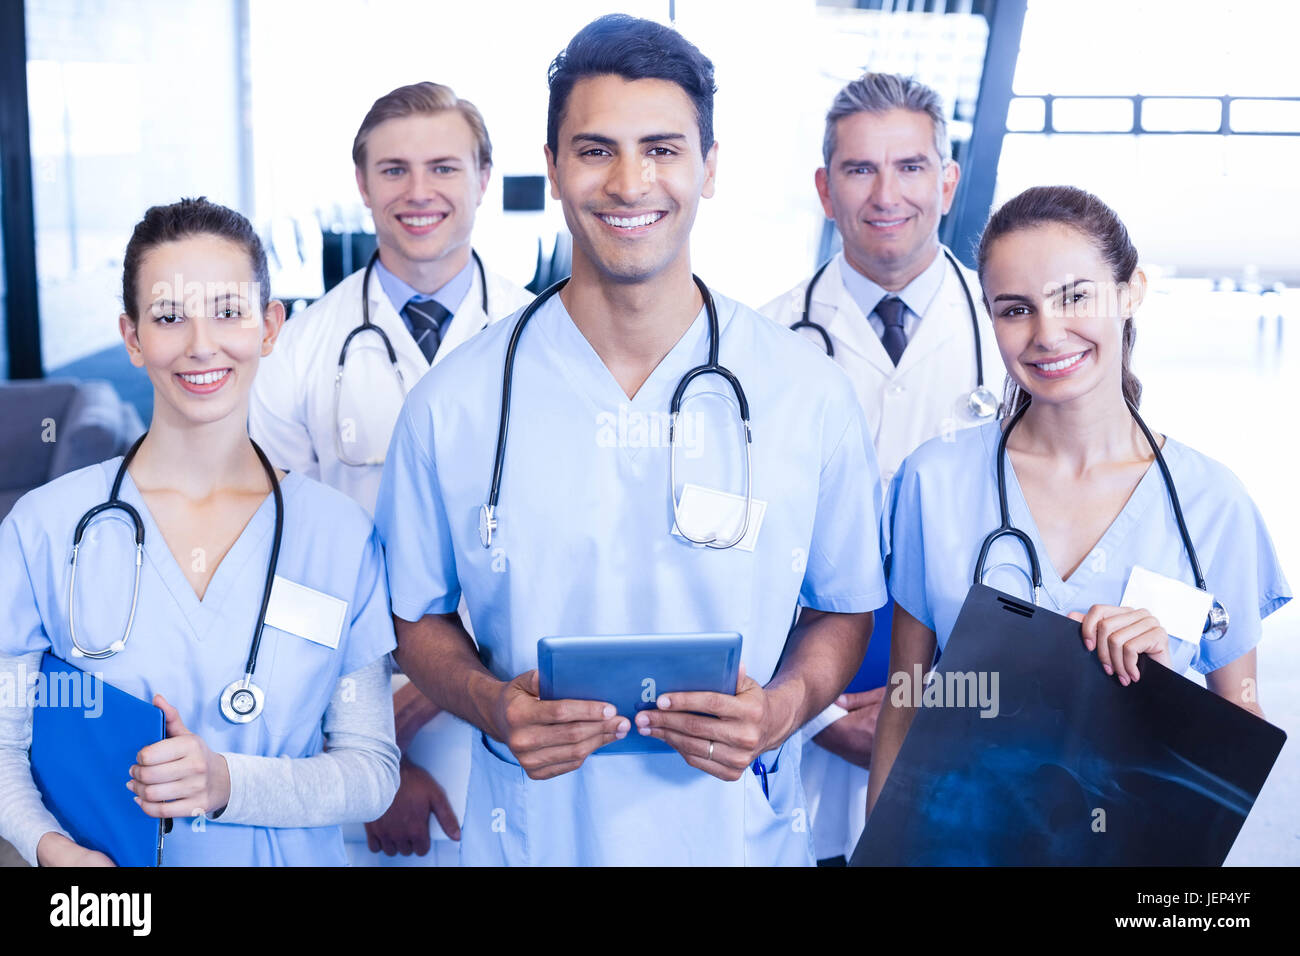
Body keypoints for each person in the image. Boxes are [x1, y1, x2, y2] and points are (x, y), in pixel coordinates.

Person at [373, 14, 887, 866]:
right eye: (594, 149)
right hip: (537, 838)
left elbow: (845, 605)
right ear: (552, 170)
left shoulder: (806, 395)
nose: (629, 181)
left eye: (661, 148)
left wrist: (786, 708)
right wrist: (492, 704)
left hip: (737, 837)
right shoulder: (455, 403)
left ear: (709, 168)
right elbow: (416, 618)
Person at [868, 185, 1291, 819]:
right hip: (959, 845)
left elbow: (1243, 718)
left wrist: (1163, 686)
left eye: (1075, 296)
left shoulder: (1211, 502)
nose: (1047, 333)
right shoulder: (935, 482)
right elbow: (905, 700)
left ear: (1130, 292)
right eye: (1015, 310)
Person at [0, 198, 400, 866]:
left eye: (227, 310)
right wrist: (48, 848)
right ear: (131, 338)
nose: (201, 344)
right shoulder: (43, 530)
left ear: (270, 326)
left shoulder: (339, 537)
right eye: (168, 317)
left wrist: (227, 782)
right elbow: (4, 746)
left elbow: (371, 771)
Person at [249, 82, 532, 867]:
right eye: (393, 169)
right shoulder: (300, 351)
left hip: (516, 709)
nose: (418, 192)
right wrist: (380, 747)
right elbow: (277, 561)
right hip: (354, 713)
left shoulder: (546, 338)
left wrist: (450, 694)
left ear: (483, 178)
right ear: (363, 183)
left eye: (443, 167)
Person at [759, 72, 1005, 864]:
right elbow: (724, 549)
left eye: (909, 166)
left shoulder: (1018, 340)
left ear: (947, 180)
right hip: (802, 733)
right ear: (826, 190)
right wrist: (824, 714)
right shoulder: (756, 348)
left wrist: (939, 712)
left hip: (975, 723)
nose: (886, 193)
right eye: (860, 170)